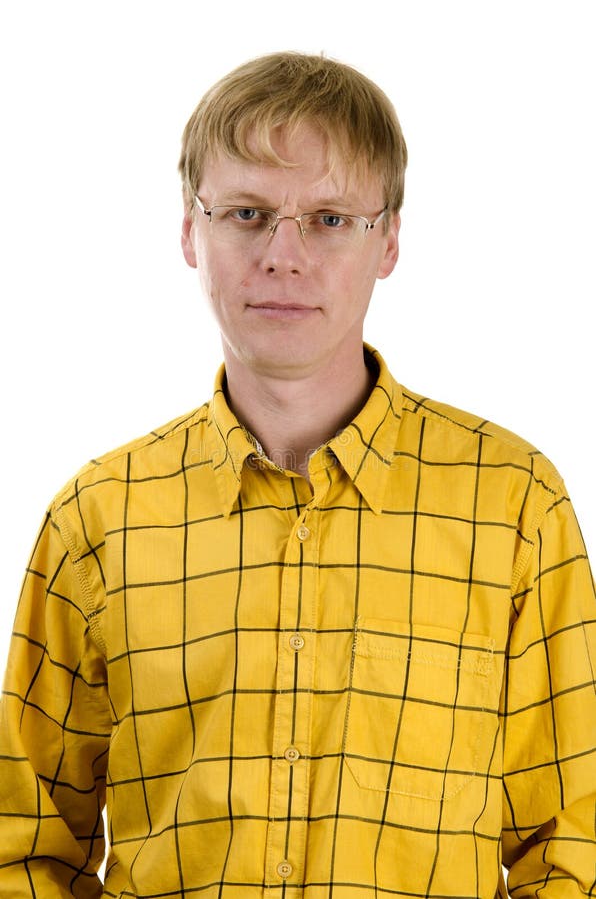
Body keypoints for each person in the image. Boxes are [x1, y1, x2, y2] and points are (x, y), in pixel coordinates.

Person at [0, 51, 594, 899]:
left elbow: (572, 847)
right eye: (246, 212)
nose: (283, 255)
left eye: (328, 218)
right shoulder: (96, 519)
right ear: (187, 231)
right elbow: (24, 848)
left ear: (387, 240)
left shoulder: (515, 507)